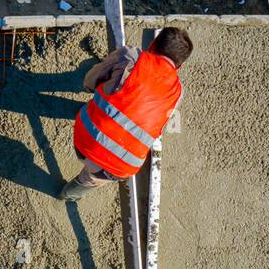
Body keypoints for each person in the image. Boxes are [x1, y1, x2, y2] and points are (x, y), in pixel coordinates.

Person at [58, 27, 192, 201]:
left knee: (101, 100)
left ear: (152, 45)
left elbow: (90, 81)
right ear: (179, 65)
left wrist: (95, 87)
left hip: (85, 140)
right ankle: (67, 194)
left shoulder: (132, 57)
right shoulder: (178, 93)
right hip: (121, 168)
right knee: (90, 179)